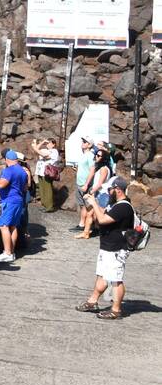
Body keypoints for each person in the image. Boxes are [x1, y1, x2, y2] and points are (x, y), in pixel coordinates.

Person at [75, 175, 134, 321]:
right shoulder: (115, 204)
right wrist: (93, 202)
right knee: (101, 275)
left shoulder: (124, 207)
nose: (108, 191)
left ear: (118, 190)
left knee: (116, 279)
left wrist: (94, 203)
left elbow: (102, 219)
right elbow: (104, 214)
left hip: (117, 249)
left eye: (110, 189)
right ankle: (92, 302)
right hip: (107, 247)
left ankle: (116, 310)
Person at [0, 150, 27, 263]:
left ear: (7, 160)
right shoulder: (22, 171)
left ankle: (7, 253)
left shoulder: (9, 170)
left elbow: (2, 184)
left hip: (9, 201)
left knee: (3, 225)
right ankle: (11, 252)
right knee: (13, 226)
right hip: (18, 200)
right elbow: (25, 187)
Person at [79, 145, 113, 240]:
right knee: (90, 214)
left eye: (99, 156)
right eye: (96, 155)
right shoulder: (101, 168)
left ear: (104, 158)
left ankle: (104, 233)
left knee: (99, 216)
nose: (96, 157)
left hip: (102, 194)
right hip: (98, 194)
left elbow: (100, 184)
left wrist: (90, 193)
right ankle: (86, 232)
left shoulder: (104, 169)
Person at [71, 138, 96, 234]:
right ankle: (82, 224)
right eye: (83, 141)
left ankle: (89, 226)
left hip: (85, 184)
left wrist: (86, 184)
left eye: (85, 142)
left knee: (88, 206)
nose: (83, 143)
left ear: (89, 145)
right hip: (79, 183)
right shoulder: (83, 155)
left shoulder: (90, 155)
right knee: (82, 205)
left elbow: (92, 170)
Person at [31, 138, 61, 212]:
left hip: (47, 172)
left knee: (47, 189)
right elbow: (37, 149)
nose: (47, 144)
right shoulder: (46, 150)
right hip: (41, 172)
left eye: (49, 143)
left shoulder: (54, 151)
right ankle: (44, 205)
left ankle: (49, 206)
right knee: (42, 189)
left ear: (54, 144)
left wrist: (35, 148)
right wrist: (42, 142)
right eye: (47, 143)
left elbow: (43, 155)